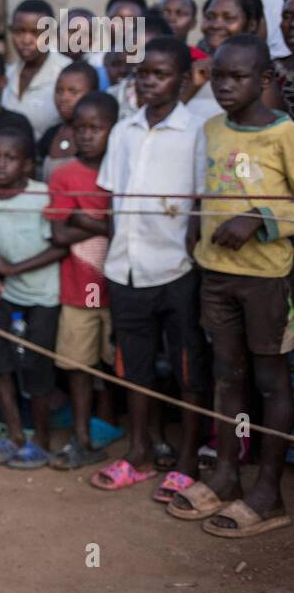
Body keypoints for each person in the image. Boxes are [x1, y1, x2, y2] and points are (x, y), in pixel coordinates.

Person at [173, 34, 292, 538]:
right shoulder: (211, 128)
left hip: (266, 277)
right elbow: (209, 188)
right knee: (227, 375)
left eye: (237, 77)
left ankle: (268, 490)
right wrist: (196, 223)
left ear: (266, 80)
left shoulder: (285, 134)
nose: (223, 85)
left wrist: (258, 217)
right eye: (217, 75)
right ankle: (225, 474)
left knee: (270, 381)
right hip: (216, 274)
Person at [95, 36, 209, 494]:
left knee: (187, 367)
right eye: (143, 73)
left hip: (176, 270)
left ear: (183, 80)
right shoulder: (123, 130)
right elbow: (111, 199)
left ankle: (187, 461)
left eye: (160, 74)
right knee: (134, 365)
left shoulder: (197, 131)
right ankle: (139, 452)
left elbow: (201, 203)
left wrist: (191, 255)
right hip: (126, 268)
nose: (148, 81)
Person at [0, 126, 65, 467]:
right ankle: (14, 435)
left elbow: (60, 247)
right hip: (9, 297)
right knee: (1, 364)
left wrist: (13, 269)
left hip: (43, 297)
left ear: (28, 165)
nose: (0, 164)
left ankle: (40, 440)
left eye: (10, 158)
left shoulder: (42, 197)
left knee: (37, 368)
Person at [45, 91, 119, 471]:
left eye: (97, 128)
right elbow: (57, 236)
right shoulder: (64, 174)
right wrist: (105, 223)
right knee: (78, 366)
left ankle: (134, 435)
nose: (88, 135)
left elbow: (124, 227)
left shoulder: (124, 169)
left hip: (124, 288)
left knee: (123, 366)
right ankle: (83, 436)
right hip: (80, 291)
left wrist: (81, 219)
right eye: (81, 128)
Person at [5, 0, 65, 139]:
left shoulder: (66, 73)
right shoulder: (7, 74)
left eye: (36, 33)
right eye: (19, 31)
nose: (26, 40)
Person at [36, 60, 99, 182]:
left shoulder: (98, 138)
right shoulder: (50, 134)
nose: (64, 98)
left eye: (73, 92)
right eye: (59, 91)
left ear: (92, 93)